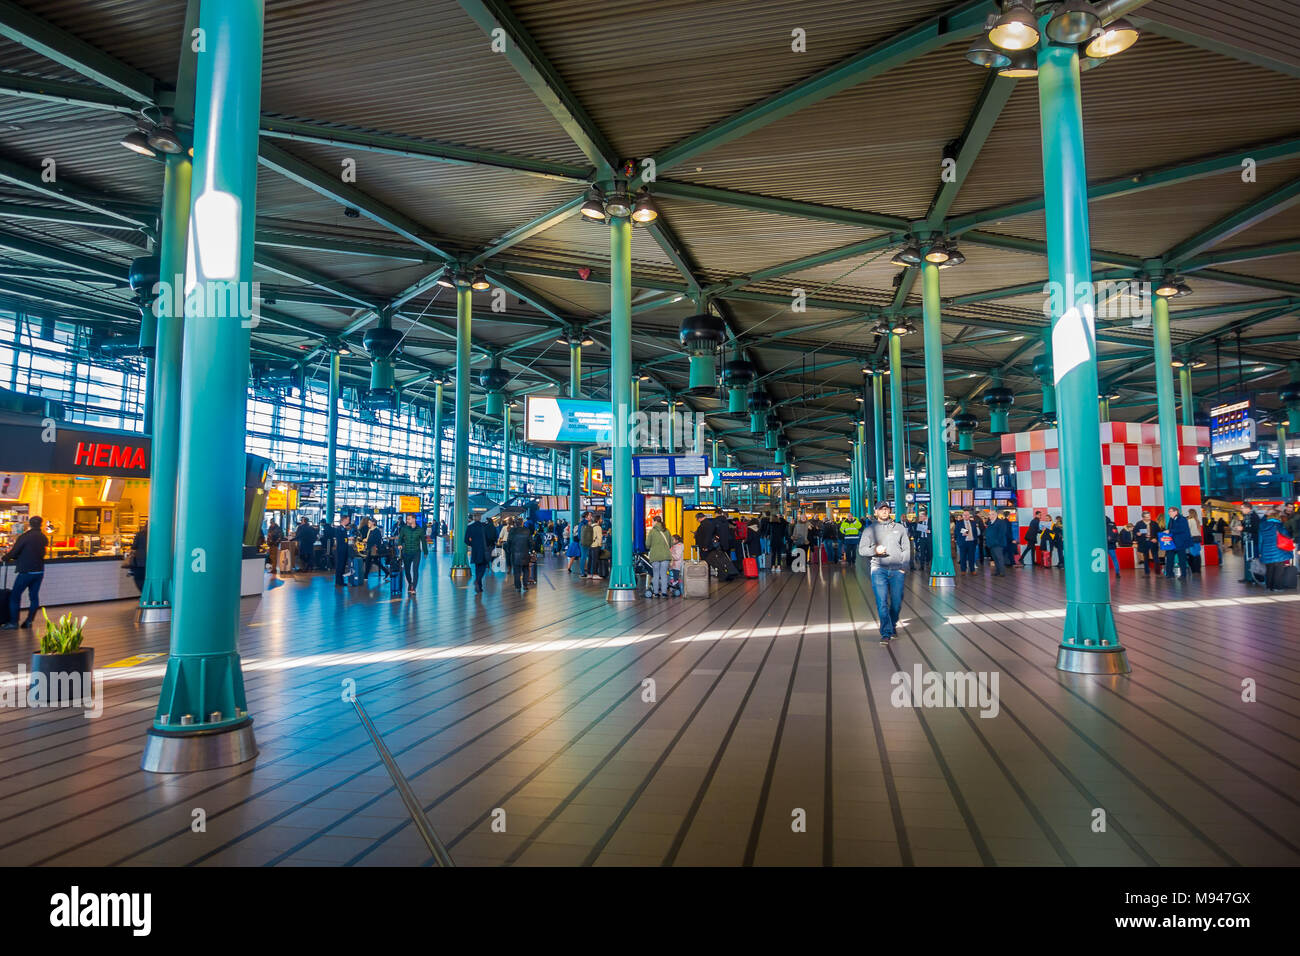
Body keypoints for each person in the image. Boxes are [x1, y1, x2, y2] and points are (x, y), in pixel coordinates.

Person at [858, 502, 911, 646]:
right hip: (878, 569)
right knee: (881, 602)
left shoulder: (899, 528)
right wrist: (875, 551)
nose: (884, 511)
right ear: (876, 512)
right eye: (881, 509)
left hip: (897, 570)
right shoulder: (869, 530)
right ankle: (886, 632)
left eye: (887, 509)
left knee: (896, 602)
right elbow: (862, 550)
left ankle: (892, 624)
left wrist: (904, 567)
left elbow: (906, 548)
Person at [2, 516, 47, 629]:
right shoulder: (43, 537)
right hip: (39, 571)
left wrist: (5, 558)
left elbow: (14, 552)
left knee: (15, 596)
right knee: (34, 597)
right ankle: (29, 621)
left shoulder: (25, 537)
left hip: (26, 571)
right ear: (40, 524)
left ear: (29, 524)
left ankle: (13, 622)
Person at [395, 514, 427, 594]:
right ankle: (410, 583)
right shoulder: (404, 529)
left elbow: (423, 541)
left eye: (409, 519)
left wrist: (425, 551)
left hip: (416, 553)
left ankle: (413, 588)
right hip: (406, 552)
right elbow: (400, 538)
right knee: (407, 571)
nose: (407, 521)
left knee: (415, 570)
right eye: (407, 519)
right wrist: (399, 544)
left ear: (414, 519)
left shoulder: (420, 530)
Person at [465, 513, 495, 593]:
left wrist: (473, 544)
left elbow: (466, 540)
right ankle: (477, 581)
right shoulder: (484, 527)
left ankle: (479, 586)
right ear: (480, 517)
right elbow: (489, 538)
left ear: (474, 518)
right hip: (484, 550)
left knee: (477, 567)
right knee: (483, 567)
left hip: (475, 550)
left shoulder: (470, 527)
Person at [646, 516, 672, 598]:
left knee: (656, 574)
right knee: (664, 574)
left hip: (655, 556)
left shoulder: (652, 531)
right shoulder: (667, 531)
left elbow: (647, 545)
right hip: (665, 556)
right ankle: (664, 593)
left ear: (654, 521)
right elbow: (671, 543)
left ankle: (656, 593)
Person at [1164, 506, 1192, 578]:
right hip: (1172, 543)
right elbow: (1170, 528)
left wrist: (1170, 531)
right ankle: (1169, 574)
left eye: (1170, 511)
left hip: (1180, 543)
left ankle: (1183, 575)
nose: (1169, 513)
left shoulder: (1182, 519)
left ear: (1175, 512)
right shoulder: (1171, 519)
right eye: (1169, 511)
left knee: (1182, 559)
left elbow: (1182, 529)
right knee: (1169, 558)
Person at [506, 518, 533, 592]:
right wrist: (531, 550)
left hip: (515, 554)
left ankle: (518, 587)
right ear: (522, 523)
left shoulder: (512, 531)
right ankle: (525, 585)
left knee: (517, 571)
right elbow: (531, 542)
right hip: (525, 553)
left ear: (515, 523)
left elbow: (509, 542)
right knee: (526, 570)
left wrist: (509, 550)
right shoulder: (527, 530)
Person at [986, 510, 1012, 577]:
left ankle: (1002, 572)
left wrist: (996, 542)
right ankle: (998, 571)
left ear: (995, 515)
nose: (989, 516)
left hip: (998, 544)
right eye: (989, 514)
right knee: (995, 559)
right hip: (991, 544)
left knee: (999, 558)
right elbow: (988, 532)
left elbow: (1002, 533)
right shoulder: (989, 522)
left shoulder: (1001, 522)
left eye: (990, 514)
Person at [331, 515, 354, 587]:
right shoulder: (340, 529)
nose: (349, 521)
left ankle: (341, 581)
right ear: (344, 520)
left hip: (343, 549)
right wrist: (348, 539)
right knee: (340, 566)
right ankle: (338, 581)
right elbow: (342, 539)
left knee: (342, 566)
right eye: (348, 519)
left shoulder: (343, 528)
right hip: (341, 550)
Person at [128, 520, 148, 592]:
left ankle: (143, 593)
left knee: (139, 579)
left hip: (140, 561)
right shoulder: (156, 535)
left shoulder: (140, 534)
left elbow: (134, 547)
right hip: (151, 562)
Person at [1186, 508, 1203, 574]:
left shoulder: (1190, 521)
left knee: (1192, 554)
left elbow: (1187, 530)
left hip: (1192, 538)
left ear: (1190, 513)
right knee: (1197, 554)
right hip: (1198, 538)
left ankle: (1194, 569)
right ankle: (1198, 569)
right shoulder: (1197, 520)